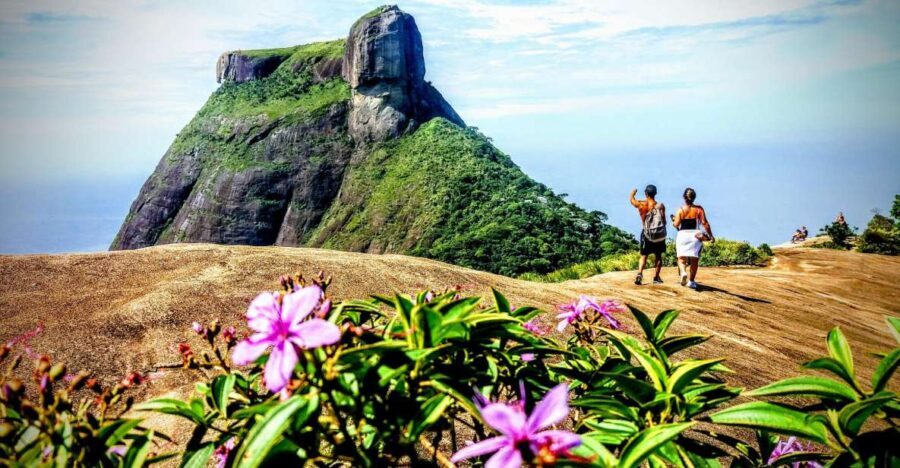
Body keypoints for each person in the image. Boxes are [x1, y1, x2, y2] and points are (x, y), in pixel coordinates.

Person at [672, 188, 714, 290]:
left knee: (681, 258)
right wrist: (711, 236)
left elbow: (676, 224)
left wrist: (674, 221)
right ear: (694, 197)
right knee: (694, 259)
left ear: (684, 197)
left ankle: (683, 272)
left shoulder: (680, 210)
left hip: (682, 235)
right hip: (695, 235)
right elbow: (705, 223)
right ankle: (691, 281)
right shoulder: (699, 209)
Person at [630, 185, 666, 285]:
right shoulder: (660, 206)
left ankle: (639, 274)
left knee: (644, 255)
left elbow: (632, 200)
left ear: (646, 193)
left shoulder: (641, 205)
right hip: (659, 235)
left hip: (646, 234)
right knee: (658, 255)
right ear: (656, 193)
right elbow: (664, 221)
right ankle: (656, 278)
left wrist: (632, 193)